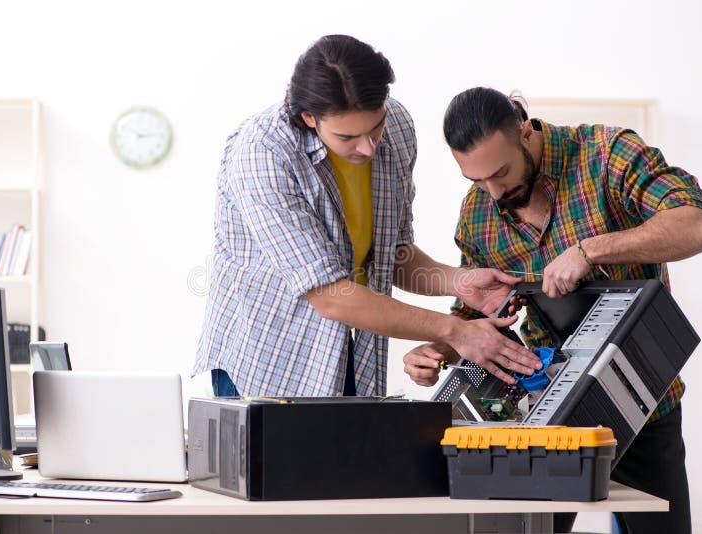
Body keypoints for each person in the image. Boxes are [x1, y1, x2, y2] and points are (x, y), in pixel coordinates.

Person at [403, 86, 702, 534]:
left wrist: (590, 251)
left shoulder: (607, 155)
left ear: (527, 133)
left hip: (644, 406)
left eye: (501, 172)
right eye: (477, 181)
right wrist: (443, 346)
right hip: (548, 424)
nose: (494, 193)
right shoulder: (478, 214)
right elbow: (476, 318)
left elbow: (699, 225)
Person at [193, 38, 540, 398]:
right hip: (268, 365)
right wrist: (455, 331)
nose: (367, 148)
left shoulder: (398, 126)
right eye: (347, 137)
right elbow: (330, 295)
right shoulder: (262, 155)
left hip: (348, 355)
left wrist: (459, 281)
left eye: (375, 127)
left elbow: (393, 256)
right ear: (309, 118)